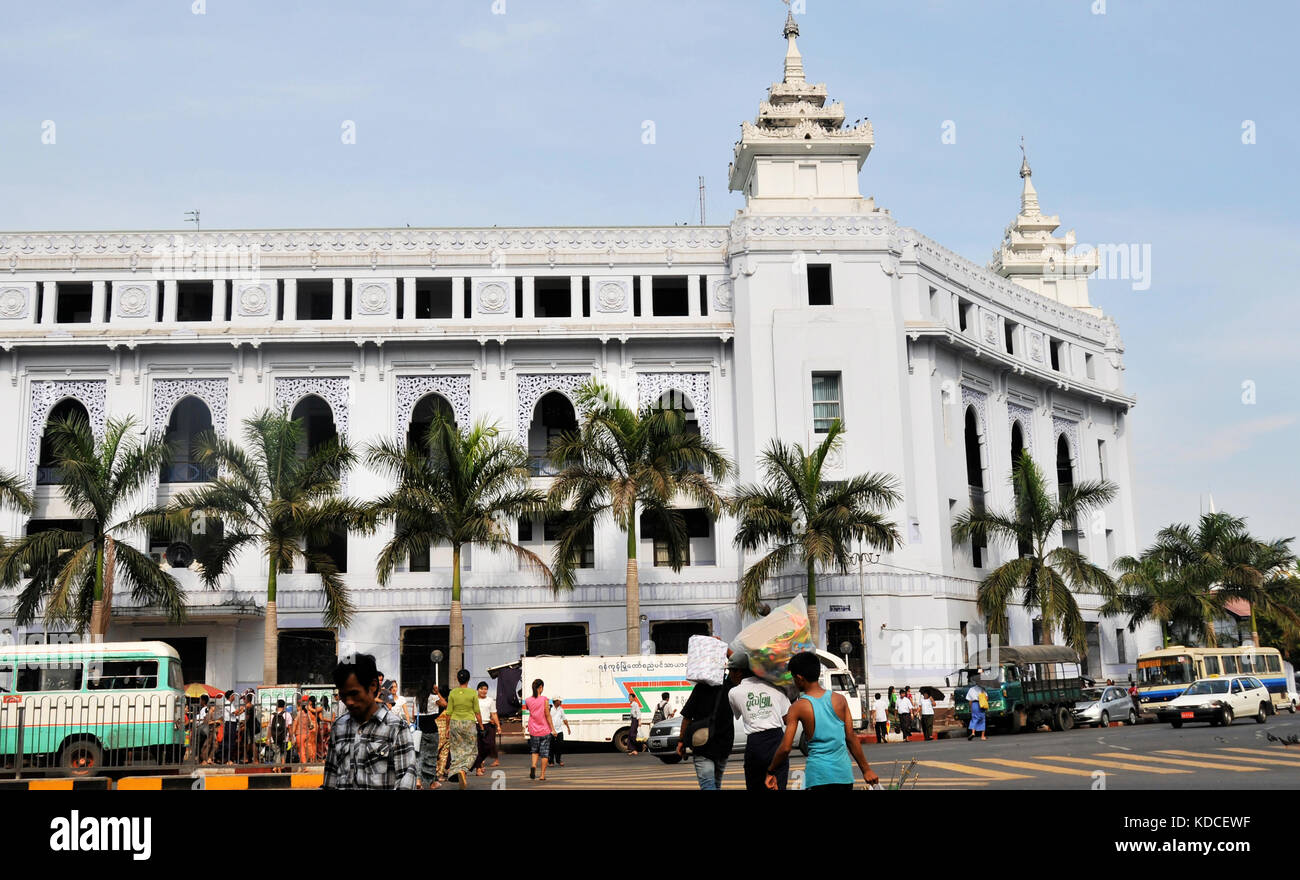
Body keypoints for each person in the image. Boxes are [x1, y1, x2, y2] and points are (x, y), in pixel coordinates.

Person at [767, 651, 879, 791]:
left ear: (800, 678)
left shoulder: (797, 707)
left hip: (818, 776)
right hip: (843, 775)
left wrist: (771, 771)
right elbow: (851, 738)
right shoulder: (840, 700)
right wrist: (866, 770)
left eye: (794, 679)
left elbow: (785, 748)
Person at [322, 652, 416, 790]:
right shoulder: (339, 727)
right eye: (343, 695)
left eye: (354, 693)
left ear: (372, 686)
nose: (349, 702)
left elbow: (406, 780)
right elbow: (330, 780)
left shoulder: (396, 728)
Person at [728, 653, 792, 791]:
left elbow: (738, 714)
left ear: (738, 672)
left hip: (755, 744)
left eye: (730, 671)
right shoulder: (776, 687)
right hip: (777, 740)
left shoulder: (734, 693)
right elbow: (788, 719)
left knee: (755, 785)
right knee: (778, 785)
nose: (729, 675)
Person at [676, 666, 738, 790]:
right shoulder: (730, 688)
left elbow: (687, 717)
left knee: (708, 786)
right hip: (724, 746)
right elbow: (739, 663)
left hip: (702, 744)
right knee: (716, 784)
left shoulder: (700, 688)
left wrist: (681, 741)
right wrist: (724, 650)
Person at [445, 668, 482, 790]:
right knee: (472, 750)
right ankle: (464, 770)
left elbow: (448, 712)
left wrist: (447, 728)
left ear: (457, 679)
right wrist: (481, 726)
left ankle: (458, 771)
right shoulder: (472, 693)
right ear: (468, 679)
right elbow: (477, 712)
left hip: (455, 723)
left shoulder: (453, 693)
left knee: (456, 750)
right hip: (469, 724)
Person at [415, 678, 446, 790]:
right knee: (432, 757)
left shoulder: (417, 698)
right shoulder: (434, 697)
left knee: (420, 756)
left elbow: (414, 715)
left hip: (420, 730)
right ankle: (432, 783)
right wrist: (437, 692)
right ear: (431, 686)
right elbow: (445, 704)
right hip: (432, 730)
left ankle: (418, 780)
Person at [524, 678, 555, 781]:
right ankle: (542, 775)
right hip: (544, 730)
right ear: (540, 687)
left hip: (533, 729)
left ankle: (533, 766)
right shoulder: (545, 699)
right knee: (545, 753)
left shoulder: (527, 700)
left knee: (535, 751)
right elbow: (547, 715)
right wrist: (553, 729)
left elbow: (530, 711)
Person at [471, 681, 501, 776]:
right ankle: (478, 768)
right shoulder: (474, 699)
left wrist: (498, 725)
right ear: (478, 690)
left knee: (489, 746)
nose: (484, 691)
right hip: (476, 725)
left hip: (488, 725)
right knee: (478, 748)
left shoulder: (490, 700)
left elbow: (494, 713)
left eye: (485, 689)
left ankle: (478, 763)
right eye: (482, 689)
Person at [291, 695, 317, 764]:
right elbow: (310, 725)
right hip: (307, 734)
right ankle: (309, 761)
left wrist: (292, 735)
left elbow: (295, 725)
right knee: (305, 749)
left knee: (301, 750)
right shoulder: (307, 714)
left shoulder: (298, 714)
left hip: (299, 734)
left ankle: (304, 765)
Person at [549, 697, 572, 767]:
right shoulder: (549, 709)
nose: (561, 702)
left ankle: (558, 760)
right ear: (555, 701)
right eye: (559, 701)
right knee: (551, 747)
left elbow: (564, 719)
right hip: (550, 731)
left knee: (559, 746)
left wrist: (568, 727)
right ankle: (551, 761)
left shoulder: (561, 709)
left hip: (559, 731)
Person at [267, 699, 290, 769]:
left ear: (277, 706)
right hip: (284, 738)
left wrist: (268, 739)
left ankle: (277, 767)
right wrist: (292, 737)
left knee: (277, 753)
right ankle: (280, 768)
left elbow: (269, 728)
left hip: (274, 738)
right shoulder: (287, 715)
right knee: (283, 752)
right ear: (284, 706)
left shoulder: (272, 716)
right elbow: (289, 727)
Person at [221, 691, 238, 764]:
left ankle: (229, 758)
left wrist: (242, 710)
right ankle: (227, 759)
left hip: (233, 723)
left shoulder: (231, 704)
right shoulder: (227, 703)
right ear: (230, 696)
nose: (234, 697)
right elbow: (235, 712)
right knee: (229, 742)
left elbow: (236, 713)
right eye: (233, 695)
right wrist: (242, 709)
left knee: (232, 742)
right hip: (229, 723)